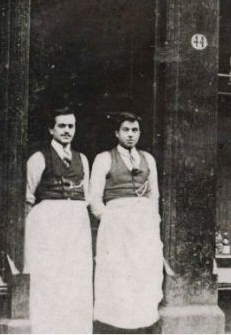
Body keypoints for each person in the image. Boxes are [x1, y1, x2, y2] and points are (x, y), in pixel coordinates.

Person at [88, 112, 163, 332]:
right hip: (116, 224)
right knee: (117, 273)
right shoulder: (104, 158)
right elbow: (94, 199)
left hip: (143, 225)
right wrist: (111, 220)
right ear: (116, 133)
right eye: (126, 130)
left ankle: (141, 324)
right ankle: (116, 327)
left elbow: (154, 194)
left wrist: (151, 220)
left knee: (143, 271)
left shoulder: (148, 159)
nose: (130, 135)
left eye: (135, 130)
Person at [24, 106, 93, 333]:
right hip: (47, 224)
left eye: (70, 126)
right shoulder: (39, 158)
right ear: (51, 129)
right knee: (48, 275)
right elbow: (29, 196)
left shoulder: (81, 159)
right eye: (61, 126)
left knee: (74, 276)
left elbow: (87, 194)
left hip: (75, 225)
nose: (66, 131)